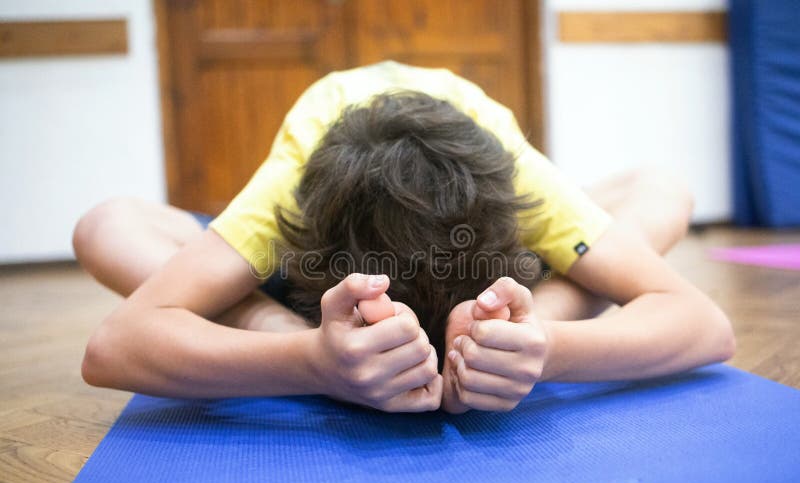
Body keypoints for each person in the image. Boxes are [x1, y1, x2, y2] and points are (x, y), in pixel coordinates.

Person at [72, 61, 735, 414]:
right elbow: (113, 347)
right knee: (103, 225)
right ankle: (261, 317)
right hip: (324, 222)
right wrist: (306, 358)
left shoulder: (514, 176)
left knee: (663, 186)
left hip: (485, 213)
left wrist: (547, 346)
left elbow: (706, 326)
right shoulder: (292, 189)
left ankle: (526, 316)